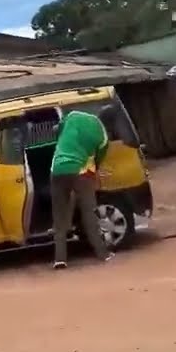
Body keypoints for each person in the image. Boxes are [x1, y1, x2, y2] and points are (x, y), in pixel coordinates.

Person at [49, 107, 117, 270]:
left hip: (57, 169)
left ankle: (60, 259)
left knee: (59, 217)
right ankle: (103, 254)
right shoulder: (103, 137)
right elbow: (98, 160)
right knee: (89, 214)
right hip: (81, 172)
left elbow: (57, 130)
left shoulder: (73, 115)